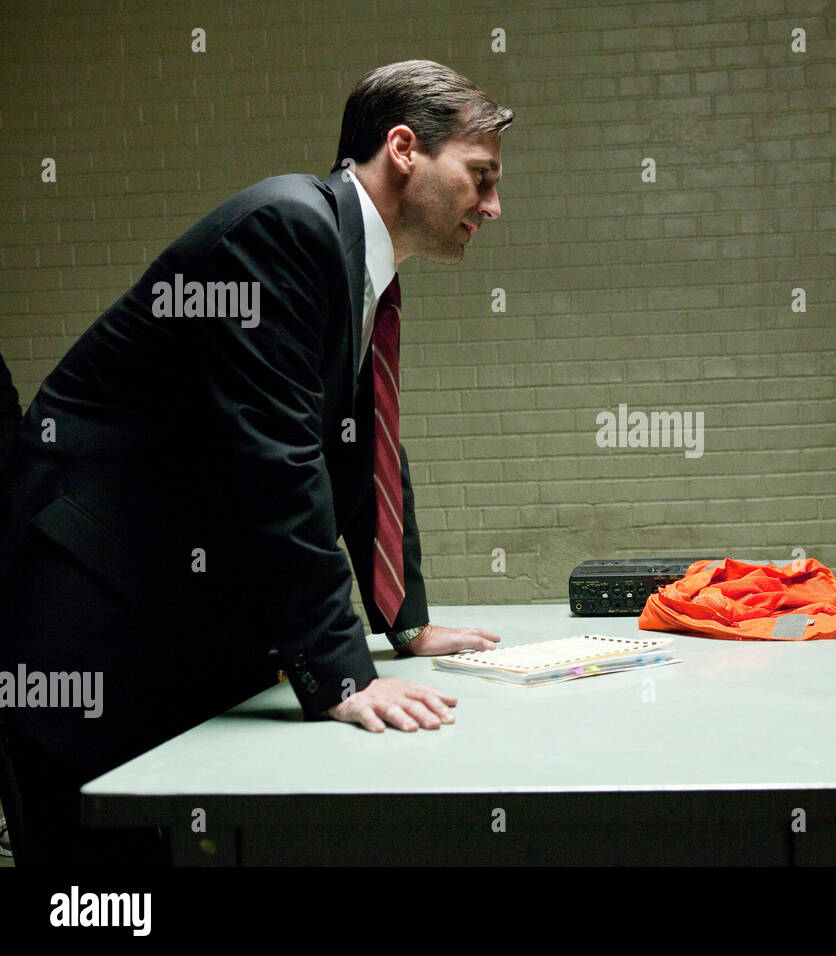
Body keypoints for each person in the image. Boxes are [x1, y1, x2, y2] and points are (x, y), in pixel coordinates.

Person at [0, 60, 510, 866]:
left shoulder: (355, 267)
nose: (492, 205)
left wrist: (405, 623)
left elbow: (364, 450)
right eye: (481, 176)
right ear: (404, 149)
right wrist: (343, 674)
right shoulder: (285, 228)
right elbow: (277, 458)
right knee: (101, 877)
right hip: (88, 598)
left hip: (171, 598)